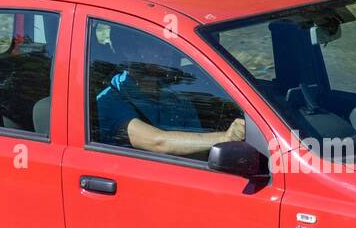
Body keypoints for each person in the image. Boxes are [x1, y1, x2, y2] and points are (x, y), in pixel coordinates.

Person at [95, 34, 245, 159]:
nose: (167, 51)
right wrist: (225, 139)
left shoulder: (177, 98)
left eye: (166, 44)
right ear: (129, 51)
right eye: (154, 44)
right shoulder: (109, 101)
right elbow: (158, 142)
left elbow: (199, 151)